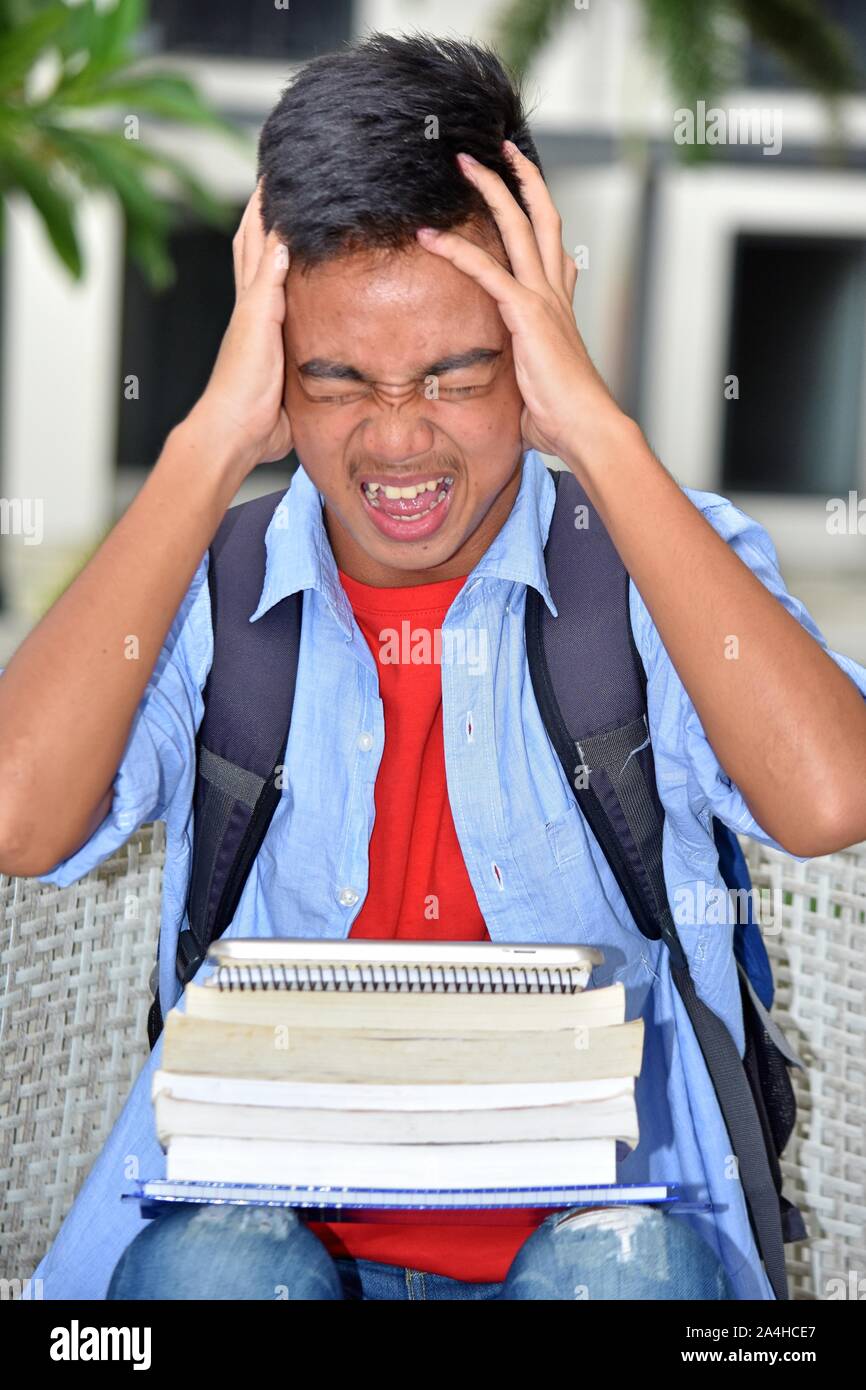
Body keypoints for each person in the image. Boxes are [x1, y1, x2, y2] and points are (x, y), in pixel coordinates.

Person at [4, 32, 866, 1302]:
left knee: (623, 1280)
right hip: (262, 1226)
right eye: (333, 380)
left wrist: (597, 430)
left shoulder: (642, 571)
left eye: (459, 374)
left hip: (605, 1231)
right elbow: (20, 818)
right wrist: (205, 447)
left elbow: (829, 796)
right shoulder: (213, 581)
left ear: (534, 340)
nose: (395, 440)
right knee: (210, 1277)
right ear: (272, 368)